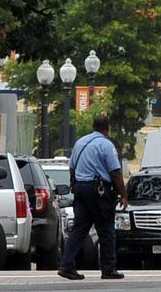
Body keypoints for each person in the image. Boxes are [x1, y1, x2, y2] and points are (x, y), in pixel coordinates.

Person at [60, 115, 126, 281]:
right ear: (107, 129)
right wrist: (123, 195)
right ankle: (108, 269)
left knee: (79, 229)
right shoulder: (106, 145)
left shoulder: (80, 142)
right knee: (106, 229)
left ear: (93, 126)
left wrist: (75, 185)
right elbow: (115, 173)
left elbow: (72, 167)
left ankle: (67, 265)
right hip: (99, 191)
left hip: (81, 189)